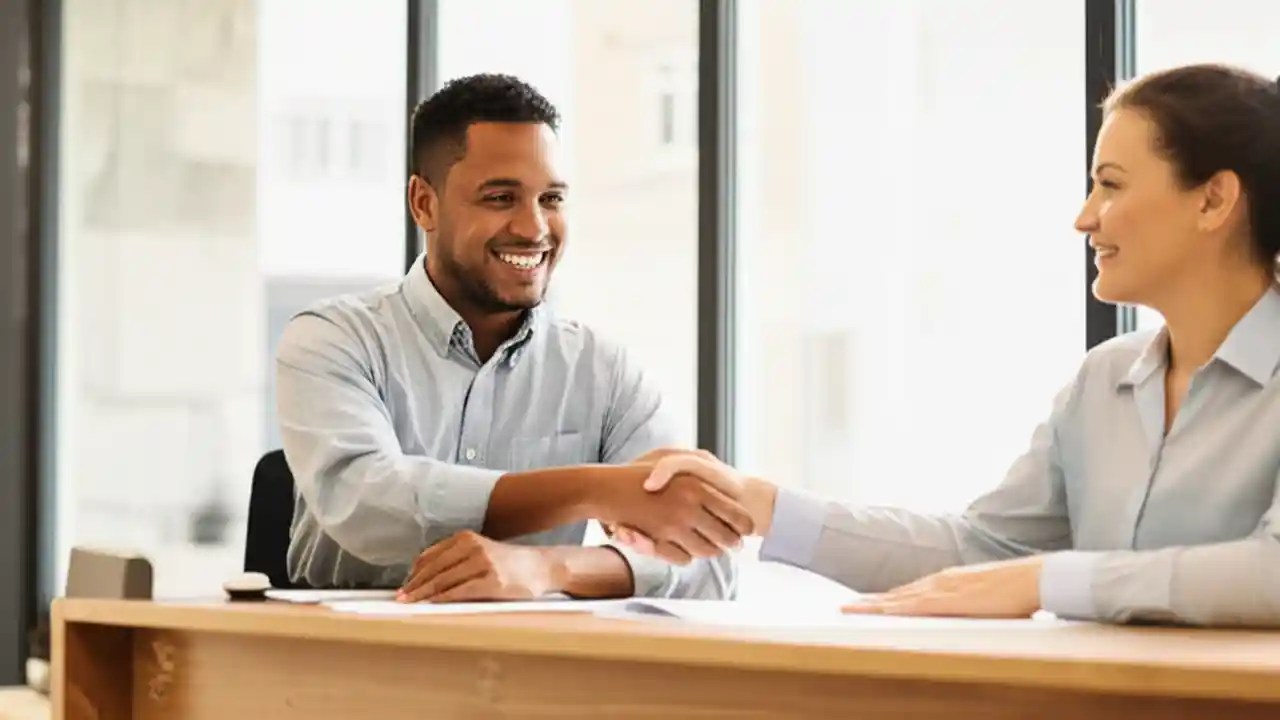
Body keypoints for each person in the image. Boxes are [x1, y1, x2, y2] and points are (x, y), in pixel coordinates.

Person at [618, 63, 1280, 627]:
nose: (1085, 217)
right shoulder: (1104, 381)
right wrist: (760, 506)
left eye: (1110, 184)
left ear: (1213, 200)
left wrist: (1046, 582)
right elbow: (985, 554)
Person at [276, 73, 748, 602]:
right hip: (338, 660)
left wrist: (550, 568)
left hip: (533, 665)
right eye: (501, 198)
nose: (534, 228)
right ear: (423, 204)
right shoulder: (333, 339)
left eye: (551, 198)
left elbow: (710, 563)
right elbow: (364, 504)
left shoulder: (603, 371)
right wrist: (596, 490)